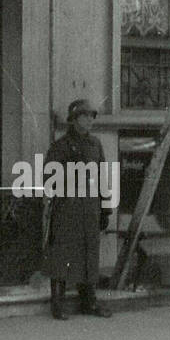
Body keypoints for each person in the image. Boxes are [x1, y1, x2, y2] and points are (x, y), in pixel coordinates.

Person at [43, 98, 112, 319]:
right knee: (63, 254)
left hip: (90, 208)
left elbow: (102, 177)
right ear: (73, 120)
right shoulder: (60, 147)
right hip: (68, 209)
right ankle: (58, 304)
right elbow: (49, 178)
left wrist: (105, 209)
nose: (90, 120)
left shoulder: (95, 145)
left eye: (92, 116)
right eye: (85, 116)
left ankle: (89, 302)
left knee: (90, 254)